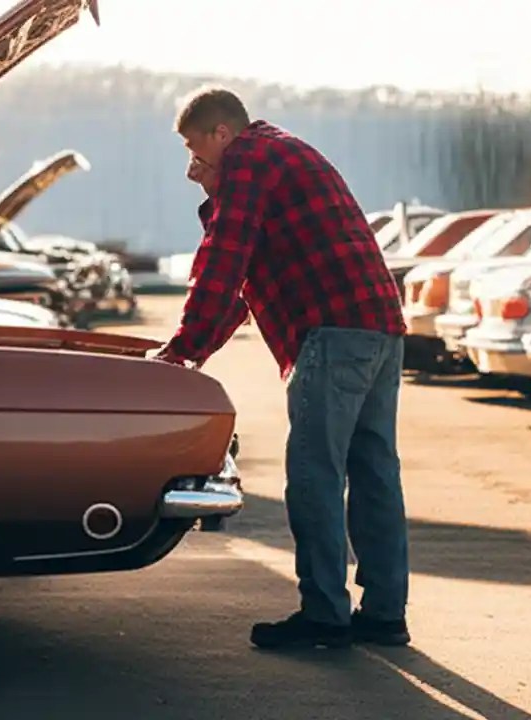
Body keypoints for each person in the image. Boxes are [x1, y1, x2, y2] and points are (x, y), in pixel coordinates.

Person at [152, 86, 411, 650]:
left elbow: (226, 256)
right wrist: (196, 346)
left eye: (196, 148)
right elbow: (243, 286)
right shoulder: (282, 152)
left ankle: (324, 615)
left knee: (316, 474)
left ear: (222, 134)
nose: (192, 162)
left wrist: (182, 351)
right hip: (379, 325)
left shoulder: (249, 158)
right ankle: (386, 614)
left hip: (334, 331)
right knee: (373, 472)